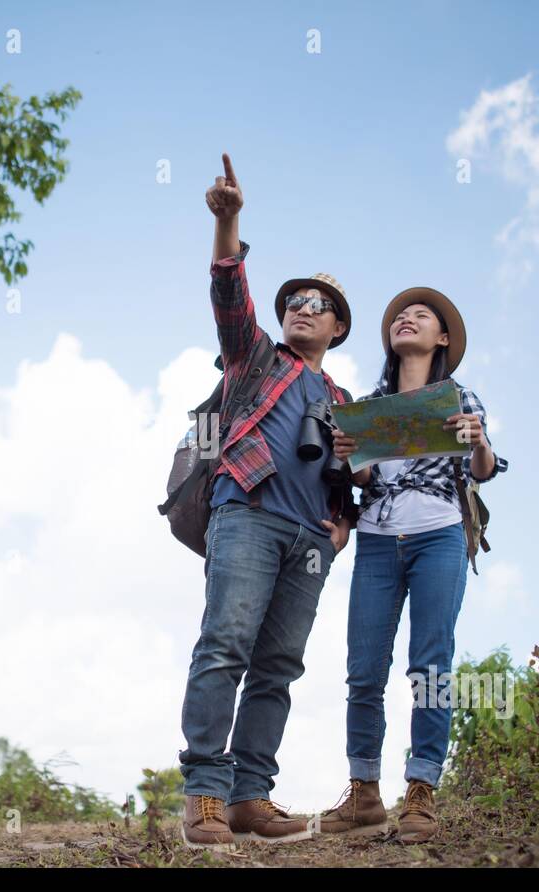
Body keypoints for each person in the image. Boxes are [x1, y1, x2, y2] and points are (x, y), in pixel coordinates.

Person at [179, 153, 358, 848]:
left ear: (337, 327)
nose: (301, 309)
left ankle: (252, 795)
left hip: (309, 541)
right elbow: (230, 297)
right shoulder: (256, 358)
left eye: (317, 306)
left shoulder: (346, 401)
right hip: (246, 512)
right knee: (225, 643)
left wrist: (341, 525)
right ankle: (205, 795)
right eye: (293, 303)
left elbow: (362, 481)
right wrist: (229, 223)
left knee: (279, 664)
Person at [316, 286, 508, 843]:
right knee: (364, 669)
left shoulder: (461, 397)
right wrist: (352, 462)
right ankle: (365, 793)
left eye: (421, 316)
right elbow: (364, 481)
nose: (407, 318)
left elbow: (484, 468)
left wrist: (477, 442)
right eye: (401, 314)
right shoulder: (368, 406)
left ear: (441, 338)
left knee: (431, 664)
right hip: (376, 538)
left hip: (439, 536)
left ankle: (421, 792)